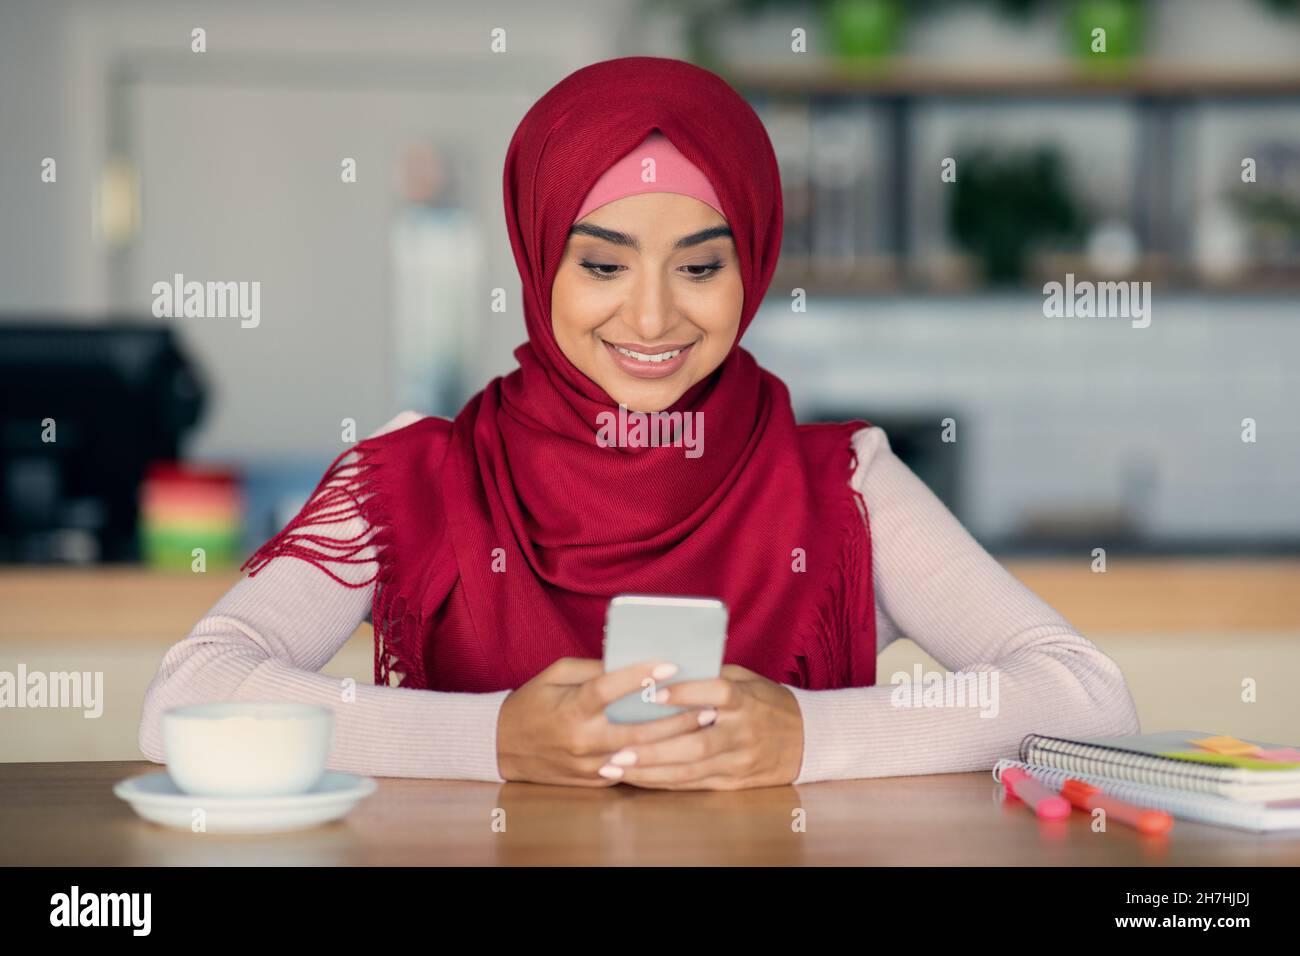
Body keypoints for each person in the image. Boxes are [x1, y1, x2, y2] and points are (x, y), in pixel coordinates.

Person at [138, 56, 1139, 790]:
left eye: (699, 266)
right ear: (540, 262)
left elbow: (1086, 695)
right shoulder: (415, 475)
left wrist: (806, 736)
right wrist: (492, 741)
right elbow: (187, 692)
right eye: (603, 264)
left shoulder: (845, 481)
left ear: (750, 263)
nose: (653, 317)